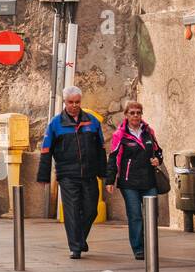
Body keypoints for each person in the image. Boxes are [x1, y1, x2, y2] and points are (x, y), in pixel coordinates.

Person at [37, 86, 107, 259]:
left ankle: (80, 238)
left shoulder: (92, 122)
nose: (74, 105)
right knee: (72, 211)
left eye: (77, 102)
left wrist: (105, 173)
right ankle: (75, 247)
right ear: (65, 102)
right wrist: (43, 176)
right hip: (67, 175)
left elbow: (100, 149)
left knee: (91, 210)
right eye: (71, 102)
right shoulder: (55, 124)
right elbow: (46, 151)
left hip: (89, 174)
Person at [105, 101, 164, 260]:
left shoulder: (148, 132)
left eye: (138, 112)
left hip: (149, 181)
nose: (135, 115)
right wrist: (110, 180)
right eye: (132, 113)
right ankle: (138, 249)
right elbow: (113, 158)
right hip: (129, 183)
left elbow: (159, 152)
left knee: (152, 215)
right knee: (135, 215)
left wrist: (158, 160)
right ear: (126, 115)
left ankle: (150, 246)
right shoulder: (120, 135)